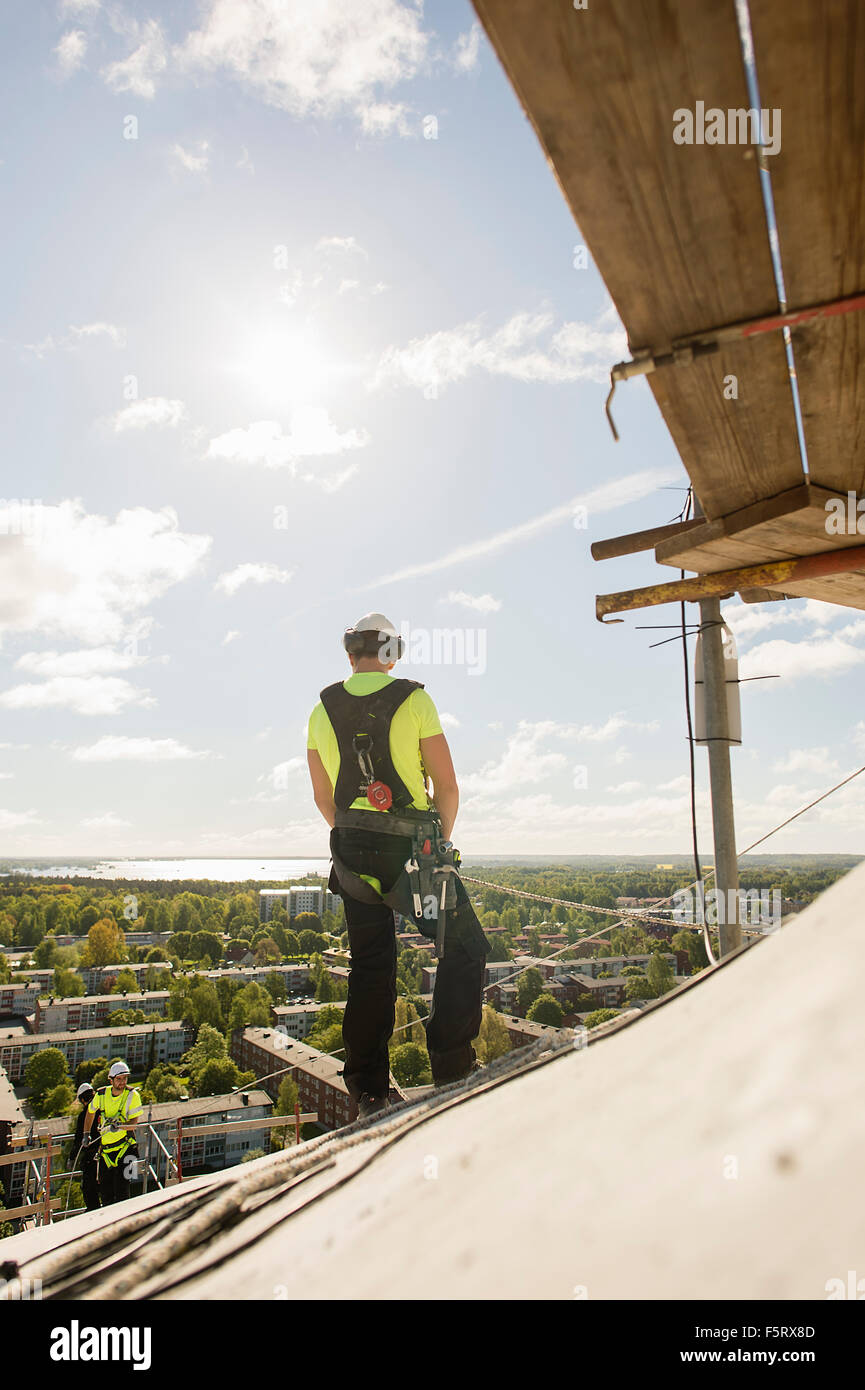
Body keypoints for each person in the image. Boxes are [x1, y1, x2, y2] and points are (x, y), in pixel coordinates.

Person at [307, 612, 490, 1119]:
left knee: (371, 966)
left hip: (351, 853)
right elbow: (446, 786)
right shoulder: (414, 700)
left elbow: (323, 797)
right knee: (465, 946)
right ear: (392, 654)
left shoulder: (320, 711)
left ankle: (369, 1091)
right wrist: (439, 845)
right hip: (412, 854)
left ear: (350, 653)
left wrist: (354, 831)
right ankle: (452, 1064)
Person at [83, 1060, 143, 1205]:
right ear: (111, 1080)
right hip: (106, 1151)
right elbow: (90, 1112)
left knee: (123, 1192)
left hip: (127, 1149)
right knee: (106, 1195)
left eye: (125, 1078)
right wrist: (86, 1133)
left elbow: (133, 1124)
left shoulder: (132, 1095)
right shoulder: (102, 1095)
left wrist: (120, 1126)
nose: (122, 1082)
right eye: (119, 1079)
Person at [73, 1082, 101, 1211]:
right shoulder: (103, 1110)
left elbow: (78, 1140)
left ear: (82, 1100)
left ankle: (93, 1210)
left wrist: (72, 1157)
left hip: (92, 1156)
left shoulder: (84, 1116)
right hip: (106, 1152)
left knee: (89, 1187)